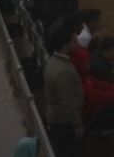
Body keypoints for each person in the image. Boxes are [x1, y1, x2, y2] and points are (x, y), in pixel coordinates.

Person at [44, 26, 84, 156]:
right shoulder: (62, 70)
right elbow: (67, 102)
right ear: (65, 45)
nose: (77, 44)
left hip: (61, 121)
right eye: (74, 42)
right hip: (64, 124)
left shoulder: (56, 61)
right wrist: (77, 125)